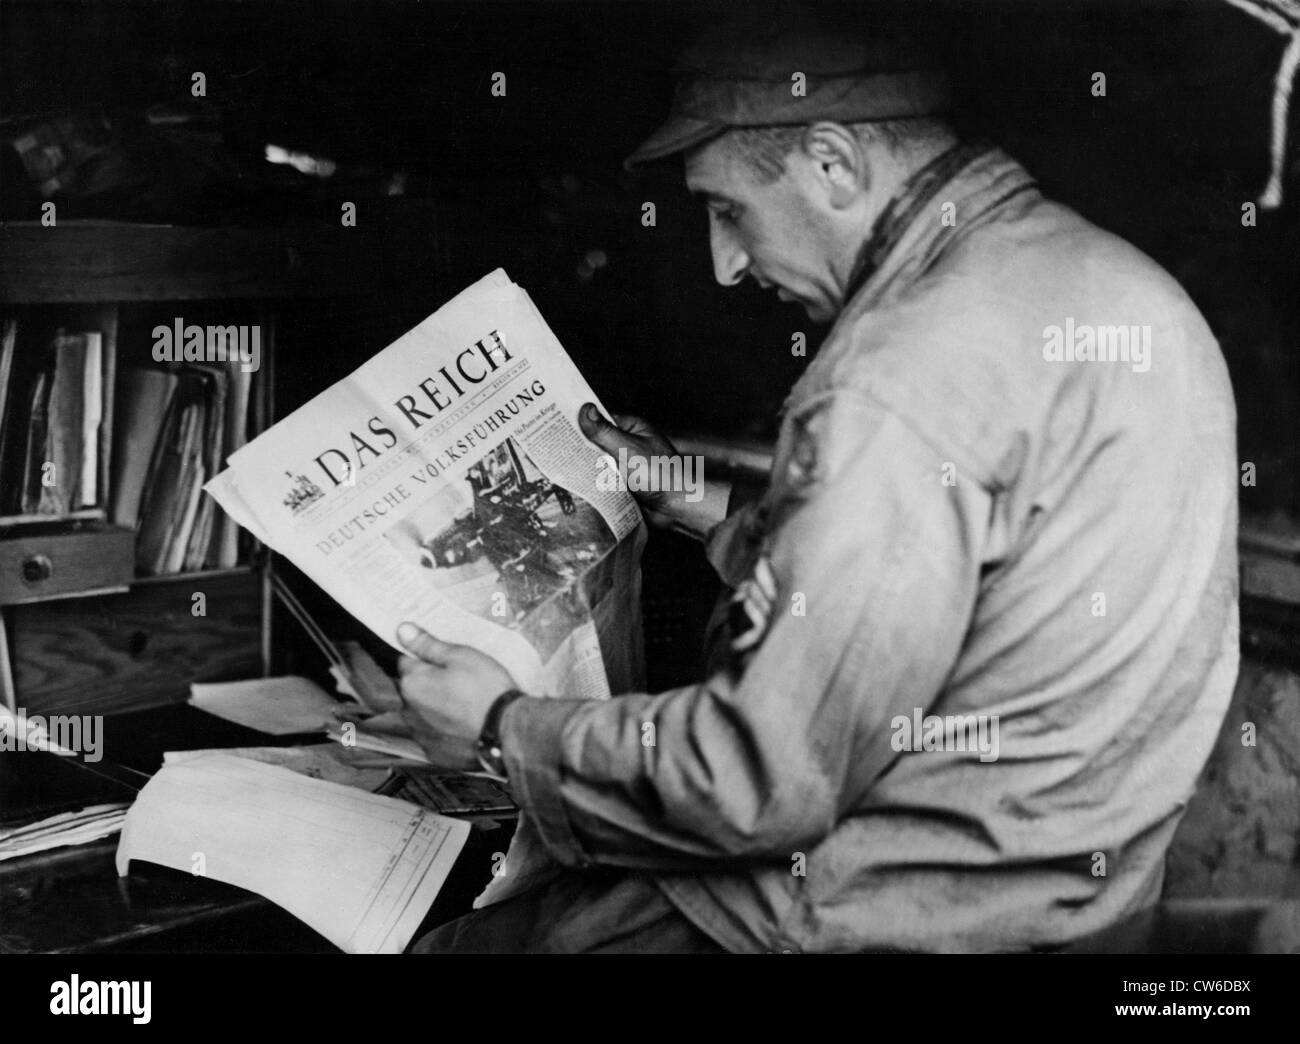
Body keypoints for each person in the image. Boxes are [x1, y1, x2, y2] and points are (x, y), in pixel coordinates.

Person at [397, 20, 1240, 953]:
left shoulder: (899, 373)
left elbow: (758, 785)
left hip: (872, 915)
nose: (725, 265)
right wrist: (686, 497)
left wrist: (502, 726)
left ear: (833, 163)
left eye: (727, 211)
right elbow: (937, 581)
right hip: (1085, 905)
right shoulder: (1117, 287)